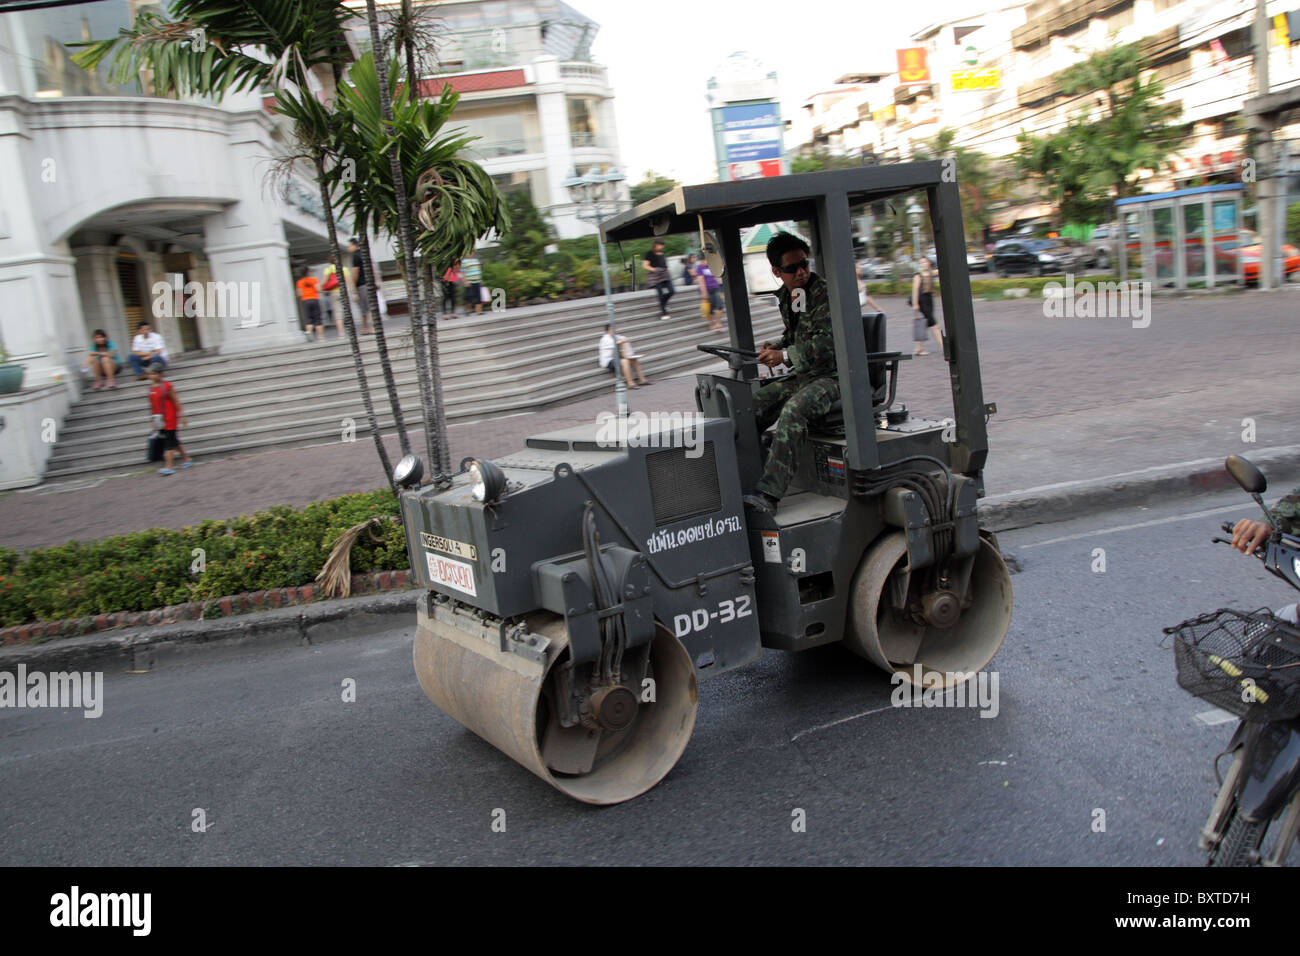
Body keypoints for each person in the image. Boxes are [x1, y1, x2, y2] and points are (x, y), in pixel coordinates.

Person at [742, 232, 839, 518]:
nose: (801, 272)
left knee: (794, 410)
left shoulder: (824, 292)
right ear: (776, 271)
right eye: (792, 268)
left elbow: (828, 343)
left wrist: (784, 356)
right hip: (806, 374)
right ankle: (751, 473)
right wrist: (779, 345)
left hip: (836, 376)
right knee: (753, 407)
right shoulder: (791, 295)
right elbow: (796, 334)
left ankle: (768, 495)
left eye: (804, 264)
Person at [146, 361, 193, 475]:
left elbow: (176, 401)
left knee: (169, 442)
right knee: (174, 440)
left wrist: (182, 415)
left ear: (160, 374)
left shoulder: (167, 386)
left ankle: (169, 466)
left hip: (170, 418)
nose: (151, 376)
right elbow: (152, 405)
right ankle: (187, 458)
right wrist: (153, 420)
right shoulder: (151, 388)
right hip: (159, 420)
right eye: (150, 374)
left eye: (154, 374)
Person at [597, 324, 648, 389]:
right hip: (608, 360)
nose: (614, 331)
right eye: (612, 329)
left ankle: (642, 380)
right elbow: (617, 344)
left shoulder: (616, 336)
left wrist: (623, 340)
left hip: (617, 357)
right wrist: (622, 341)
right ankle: (630, 383)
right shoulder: (605, 339)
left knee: (634, 359)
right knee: (625, 361)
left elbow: (624, 339)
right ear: (607, 331)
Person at [911, 256, 942, 356]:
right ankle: (944, 347)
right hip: (922, 300)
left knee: (923, 324)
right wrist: (915, 304)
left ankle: (918, 349)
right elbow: (915, 291)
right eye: (921, 263)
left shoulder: (931, 273)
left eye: (925, 262)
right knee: (934, 325)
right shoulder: (918, 276)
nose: (923, 264)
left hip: (929, 299)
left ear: (929, 263)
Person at [347, 237, 374, 334]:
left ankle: (367, 328)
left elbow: (355, 273)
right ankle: (369, 328)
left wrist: (353, 287)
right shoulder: (365, 254)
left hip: (361, 285)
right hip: (369, 283)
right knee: (370, 306)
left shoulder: (355, 256)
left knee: (364, 308)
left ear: (355, 245)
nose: (348, 248)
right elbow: (372, 269)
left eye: (349, 246)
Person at [643, 239, 674, 319]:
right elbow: (645, 265)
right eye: (660, 245)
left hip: (665, 274)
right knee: (660, 293)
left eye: (662, 245)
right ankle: (664, 313)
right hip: (655, 275)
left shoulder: (663, 253)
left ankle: (663, 304)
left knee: (672, 291)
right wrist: (654, 269)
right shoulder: (649, 253)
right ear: (656, 245)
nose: (662, 247)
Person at [694, 258, 724, 332]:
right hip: (707, 290)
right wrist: (704, 293)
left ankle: (718, 324)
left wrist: (722, 291)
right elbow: (701, 281)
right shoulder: (700, 268)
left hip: (716, 288)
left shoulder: (712, 266)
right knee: (710, 309)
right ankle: (711, 324)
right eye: (706, 260)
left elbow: (718, 278)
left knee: (720, 306)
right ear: (703, 260)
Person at [296, 268, 323, 341]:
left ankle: (309, 334)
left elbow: (299, 294)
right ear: (308, 272)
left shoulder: (299, 282)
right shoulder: (314, 280)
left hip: (305, 301)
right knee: (318, 319)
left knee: (309, 319)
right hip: (314, 299)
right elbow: (319, 290)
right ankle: (320, 337)